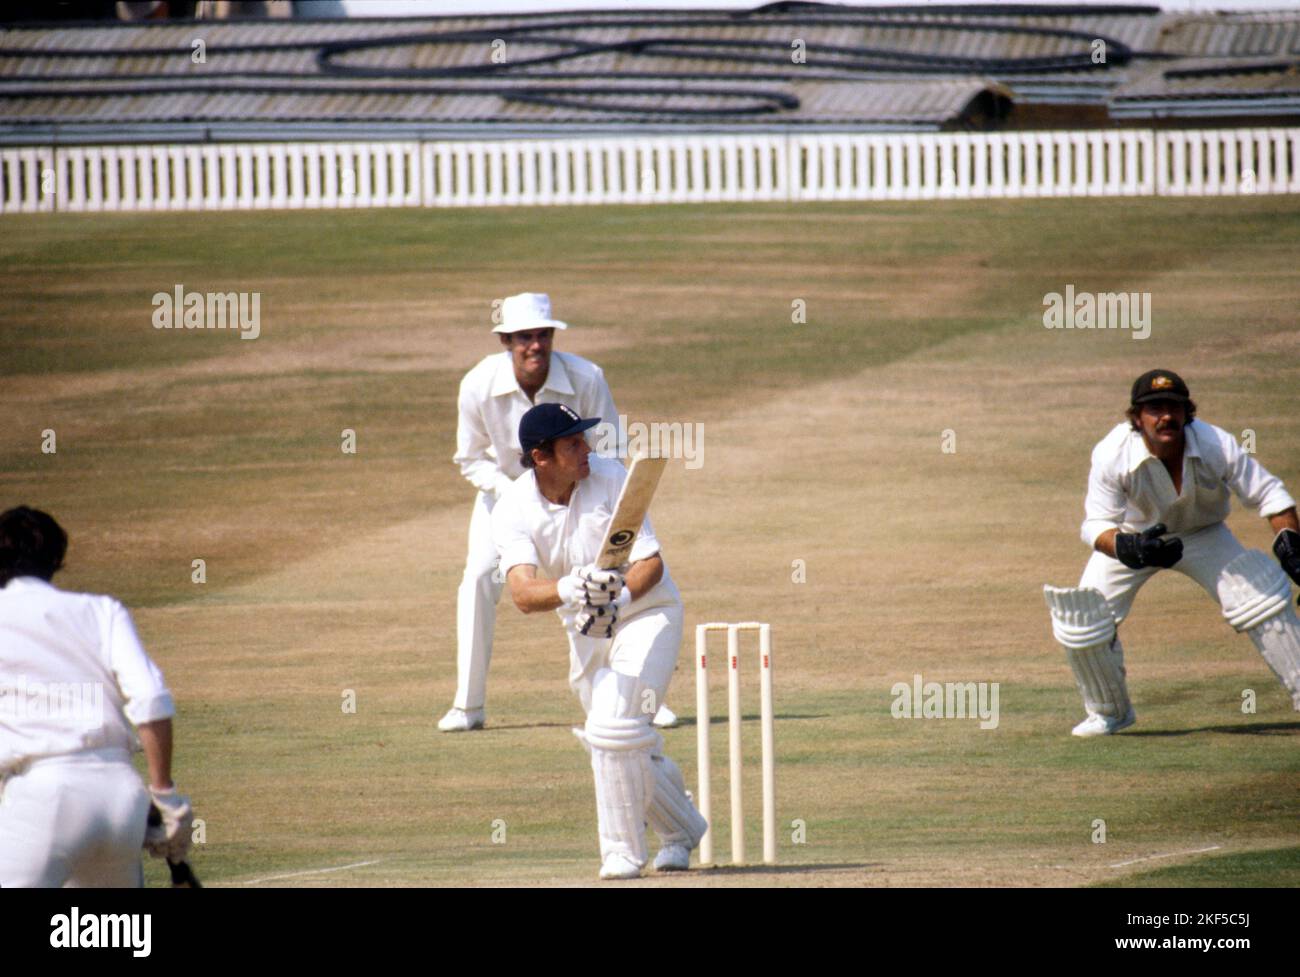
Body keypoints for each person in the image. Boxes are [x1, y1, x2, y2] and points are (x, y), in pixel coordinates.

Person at [439, 292, 677, 732]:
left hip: (584, 487)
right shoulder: (477, 384)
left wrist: (599, 497)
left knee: (609, 578)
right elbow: (469, 459)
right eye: (524, 337)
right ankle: (468, 705)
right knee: (479, 577)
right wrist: (521, 496)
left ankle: (642, 692)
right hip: (502, 496)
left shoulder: (587, 377)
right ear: (506, 341)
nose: (536, 345)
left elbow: (610, 447)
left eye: (543, 335)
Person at [492, 403, 707, 879]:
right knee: (619, 744)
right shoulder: (511, 508)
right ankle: (682, 828)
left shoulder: (610, 476)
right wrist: (571, 588)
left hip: (647, 613)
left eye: (585, 439)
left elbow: (651, 563)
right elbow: (523, 594)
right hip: (586, 630)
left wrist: (620, 594)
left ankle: (622, 853)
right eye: (573, 444)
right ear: (540, 457)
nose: (587, 449)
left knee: (612, 727)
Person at [1044, 370, 1300, 736]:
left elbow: (1270, 494)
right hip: (1135, 538)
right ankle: (1109, 713)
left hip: (1204, 533)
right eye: (1154, 409)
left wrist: (1290, 544)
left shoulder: (1215, 444)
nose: (1166, 416)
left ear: (1186, 412)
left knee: (1261, 599)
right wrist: (1128, 547)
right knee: (1082, 619)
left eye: (1174, 407)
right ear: (1137, 418)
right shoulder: (1112, 453)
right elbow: (1095, 524)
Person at [0, 506, 193, 887]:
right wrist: (165, 797)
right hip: (122, 797)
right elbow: (150, 698)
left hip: (45, 797)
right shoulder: (103, 611)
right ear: (56, 559)